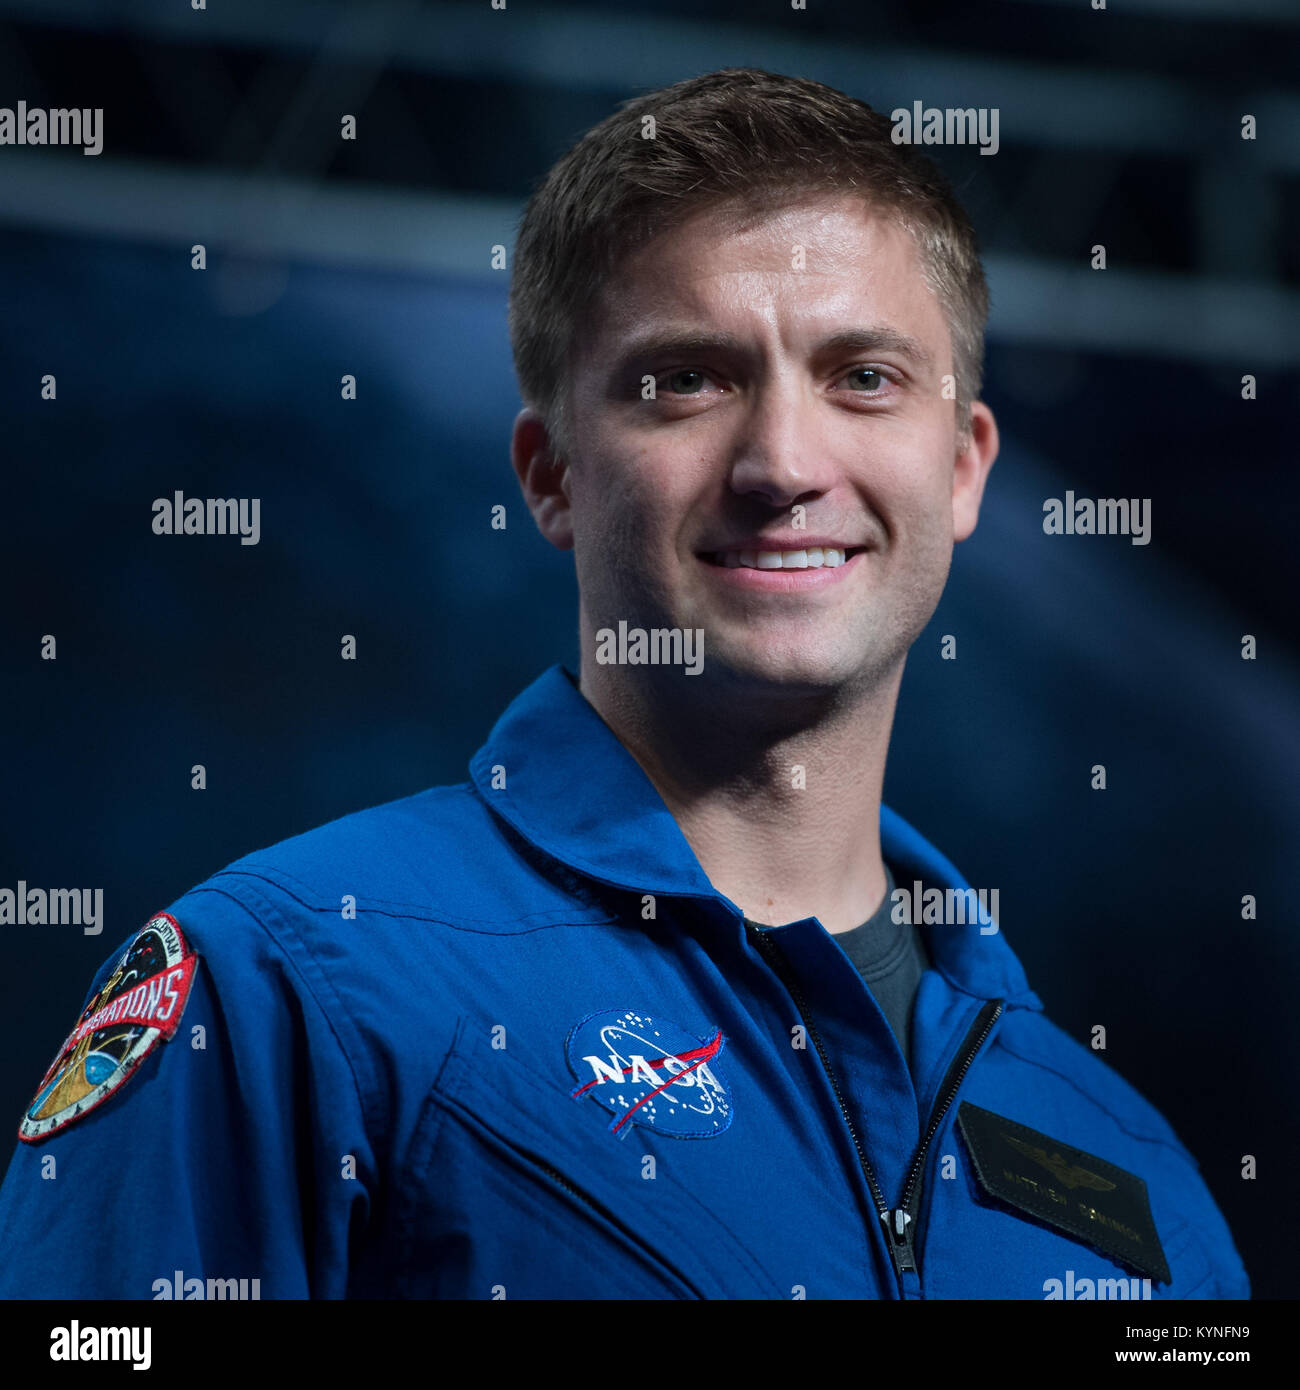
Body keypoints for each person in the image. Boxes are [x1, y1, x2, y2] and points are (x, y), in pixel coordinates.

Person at [0, 68, 1248, 1301]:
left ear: (964, 467)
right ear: (551, 475)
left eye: (863, 376)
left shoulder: (1133, 1170)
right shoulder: (285, 992)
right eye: (687, 381)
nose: (782, 463)